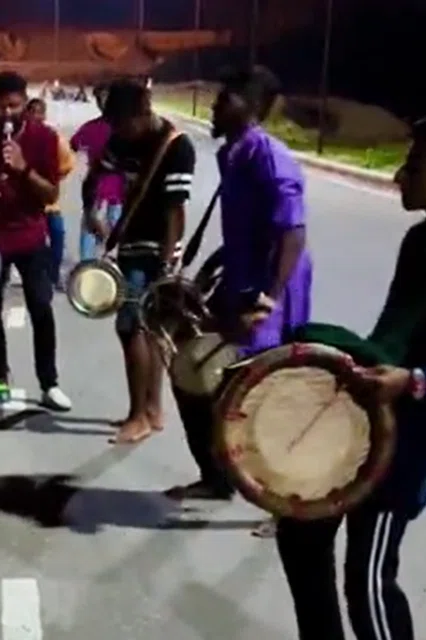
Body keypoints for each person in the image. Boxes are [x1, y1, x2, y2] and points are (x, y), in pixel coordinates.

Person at [274, 115, 426, 640]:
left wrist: (412, 381)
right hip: (367, 419)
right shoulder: (421, 241)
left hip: (409, 439)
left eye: (413, 165)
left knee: (367, 580)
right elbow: (396, 332)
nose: (399, 177)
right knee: (299, 534)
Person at [163, 67, 312, 545]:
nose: (212, 106)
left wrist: (270, 295)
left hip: (271, 289)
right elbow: (243, 232)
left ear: (248, 106)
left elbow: (292, 232)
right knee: (192, 375)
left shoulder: (270, 157)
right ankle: (217, 477)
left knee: (264, 398)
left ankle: (290, 504)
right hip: (238, 282)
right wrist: (209, 274)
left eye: (222, 98)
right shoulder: (234, 153)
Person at [0, 70, 72, 411]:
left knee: (40, 306)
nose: (6, 113)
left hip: (30, 235)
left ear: (24, 102)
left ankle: (49, 383)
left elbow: (51, 192)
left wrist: (23, 168)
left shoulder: (44, 137)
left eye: (13, 106)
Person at [95, 79, 194, 443]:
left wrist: (167, 268)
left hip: (160, 247)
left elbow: (174, 211)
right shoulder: (122, 140)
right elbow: (102, 174)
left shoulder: (176, 147)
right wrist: (96, 209)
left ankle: (138, 416)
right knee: (149, 329)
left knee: (129, 325)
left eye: (121, 123)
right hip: (131, 243)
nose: (117, 132)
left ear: (142, 114)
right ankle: (151, 410)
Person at [25, 98, 76, 289]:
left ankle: (54, 275)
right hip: (26, 204)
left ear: (44, 115)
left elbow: (69, 163)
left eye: (40, 112)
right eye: (32, 112)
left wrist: (54, 178)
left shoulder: (54, 139)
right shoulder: (20, 137)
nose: (36, 116)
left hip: (49, 202)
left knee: (57, 236)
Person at [70, 85, 124, 261]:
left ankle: (94, 263)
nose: (103, 103)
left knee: (99, 225)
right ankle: (95, 263)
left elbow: (75, 144)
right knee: (102, 224)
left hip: (112, 185)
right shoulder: (123, 128)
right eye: (100, 99)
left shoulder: (94, 127)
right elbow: (74, 144)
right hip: (104, 185)